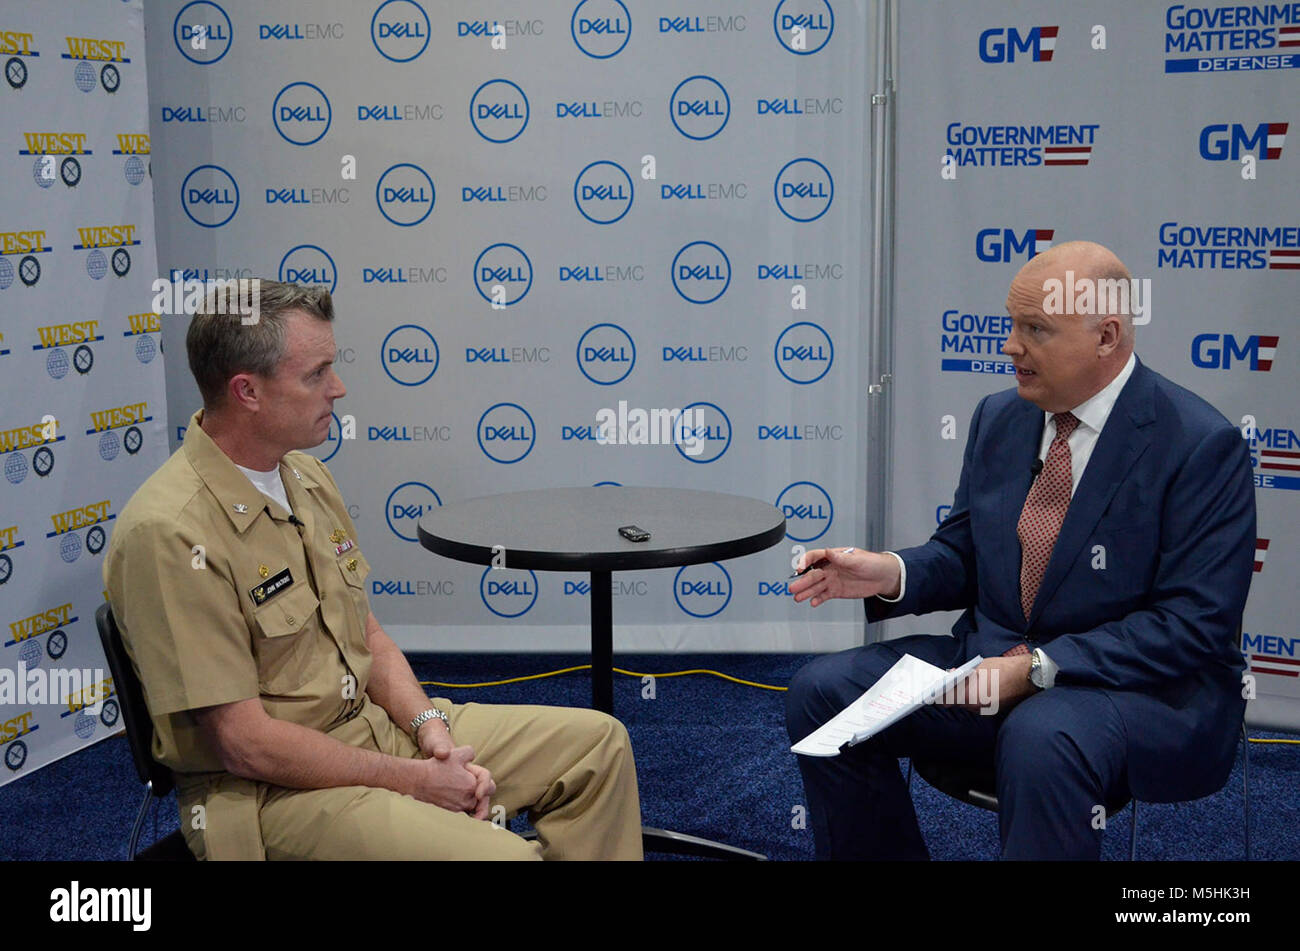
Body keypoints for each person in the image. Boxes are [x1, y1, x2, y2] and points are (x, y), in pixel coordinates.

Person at [104, 280, 643, 860]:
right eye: (316, 374)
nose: (338, 388)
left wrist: (433, 734)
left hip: (374, 733)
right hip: (272, 796)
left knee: (598, 746)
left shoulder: (305, 477)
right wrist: (417, 783)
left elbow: (367, 636)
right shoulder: (170, 533)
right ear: (248, 391)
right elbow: (244, 744)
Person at [784, 241, 1255, 860]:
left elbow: (1193, 627)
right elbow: (966, 555)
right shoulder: (1000, 416)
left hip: (1143, 693)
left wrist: (1038, 668)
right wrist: (889, 573)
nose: (1010, 345)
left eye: (1036, 329)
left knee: (1042, 732)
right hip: (989, 668)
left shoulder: (1198, 445)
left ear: (1107, 336)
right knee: (821, 691)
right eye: (1012, 323)